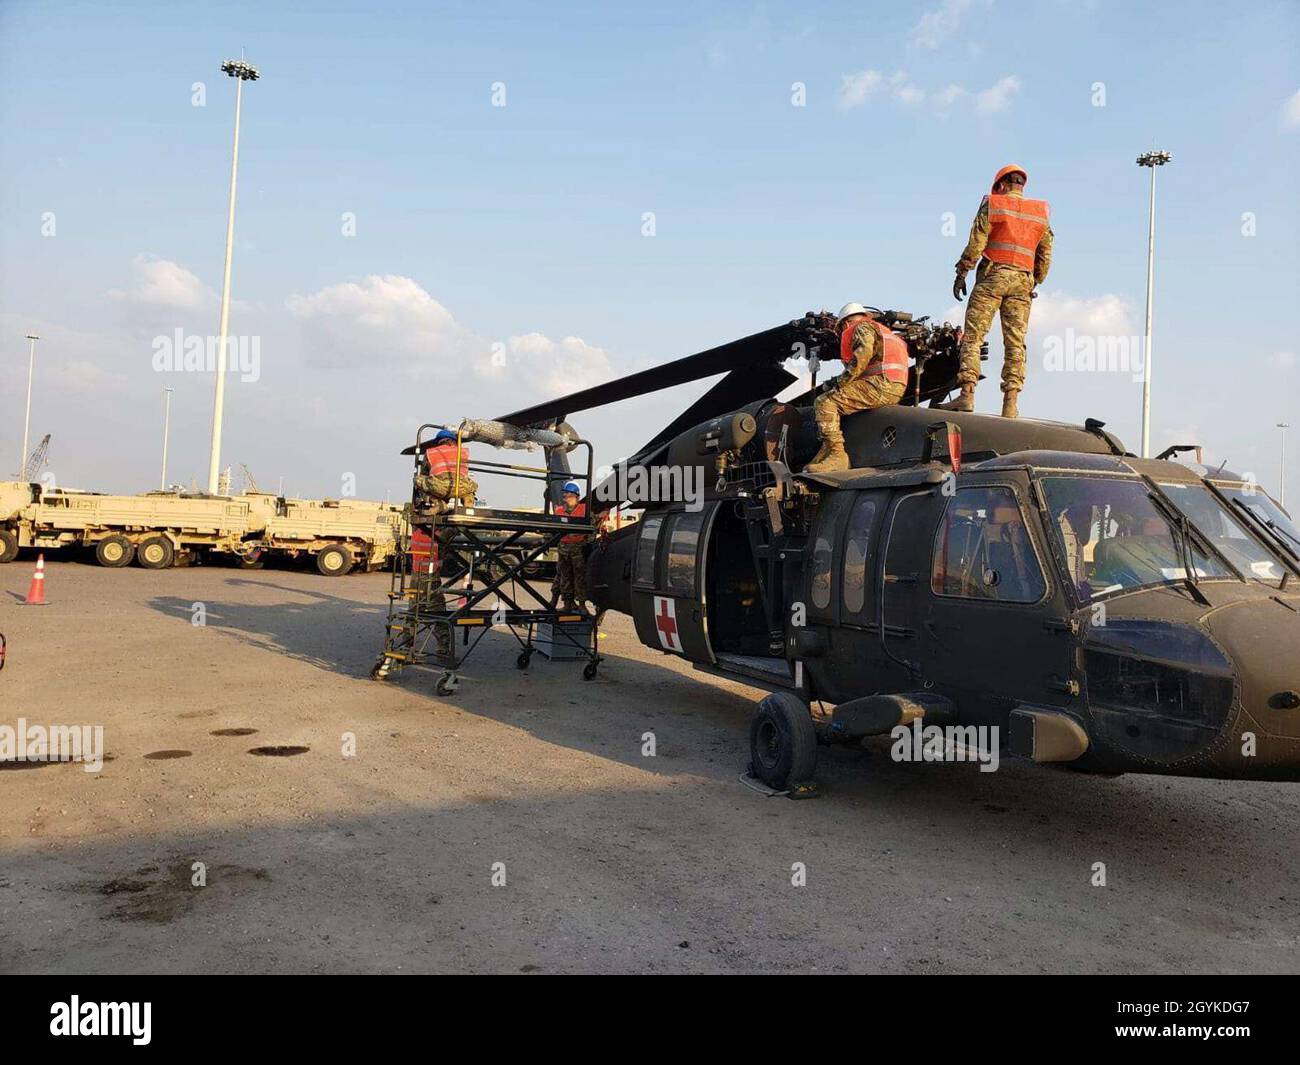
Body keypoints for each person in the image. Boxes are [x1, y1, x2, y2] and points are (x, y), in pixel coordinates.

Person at [946, 164, 1053, 419]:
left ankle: (967, 395)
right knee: (1015, 342)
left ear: (1002, 185)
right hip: (1023, 281)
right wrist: (1034, 280)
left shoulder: (993, 205)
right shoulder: (1040, 212)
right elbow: (1045, 254)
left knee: (973, 337)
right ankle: (1010, 404)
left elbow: (976, 243)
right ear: (1021, 186)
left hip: (993, 277)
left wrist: (962, 272)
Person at [805, 303, 909, 473]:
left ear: (846, 323)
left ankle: (837, 455)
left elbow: (863, 354)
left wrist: (838, 381)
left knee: (825, 402)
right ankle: (827, 450)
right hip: (893, 385)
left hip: (880, 384)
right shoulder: (884, 332)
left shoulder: (862, 327)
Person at [414, 429, 477, 516]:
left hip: (440, 486)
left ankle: (438, 504)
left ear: (438, 441)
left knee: (418, 480)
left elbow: (424, 473)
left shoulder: (430, 452)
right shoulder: (463, 451)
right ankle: (468, 505)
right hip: (461, 487)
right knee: (470, 487)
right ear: (454, 441)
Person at [553, 481, 590, 613]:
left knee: (579, 577)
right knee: (565, 577)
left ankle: (581, 604)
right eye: (564, 493)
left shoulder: (584, 510)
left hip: (578, 548)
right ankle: (567, 603)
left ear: (576, 495)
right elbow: (552, 529)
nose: (565, 496)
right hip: (563, 548)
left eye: (567, 493)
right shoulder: (559, 511)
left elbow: (591, 528)